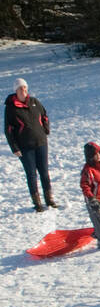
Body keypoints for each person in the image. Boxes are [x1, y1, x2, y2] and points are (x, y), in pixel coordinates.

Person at [5, 77, 58, 211]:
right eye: (20, 88)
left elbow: (44, 115)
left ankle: (49, 199)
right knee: (31, 174)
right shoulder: (11, 108)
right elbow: (8, 130)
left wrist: (45, 129)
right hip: (25, 146)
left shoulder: (34, 102)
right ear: (16, 91)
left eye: (25, 88)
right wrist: (14, 148)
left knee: (44, 172)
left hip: (41, 142)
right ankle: (37, 202)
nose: (23, 90)